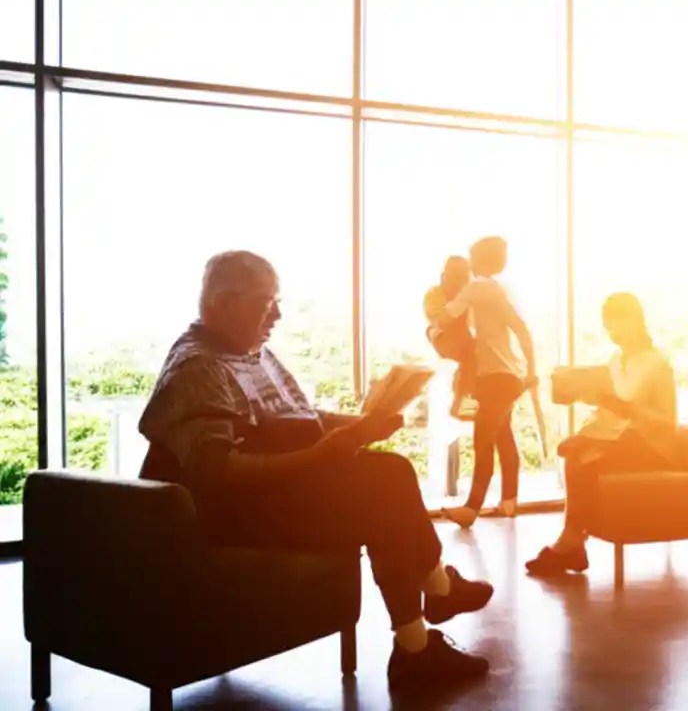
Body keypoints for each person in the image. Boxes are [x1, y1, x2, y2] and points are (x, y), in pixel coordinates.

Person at [137, 251, 493, 696]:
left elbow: (300, 417)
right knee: (385, 482)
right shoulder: (199, 367)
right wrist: (325, 454)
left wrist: (360, 426)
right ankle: (432, 603)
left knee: (386, 478)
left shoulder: (252, 352)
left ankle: (420, 638)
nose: (278, 315)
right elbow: (216, 472)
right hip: (234, 515)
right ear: (224, 304)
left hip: (274, 497)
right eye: (267, 302)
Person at [526, 293, 676, 575]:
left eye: (620, 322)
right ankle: (572, 543)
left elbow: (666, 422)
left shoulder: (657, 363)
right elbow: (616, 409)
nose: (614, 331)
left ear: (636, 321)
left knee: (584, 458)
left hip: (650, 443)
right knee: (574, 452)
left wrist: (626, 408)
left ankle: (570, 542)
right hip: (620, 436)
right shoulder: (616, 360)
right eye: (609, 325)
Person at [439, 237, 538, 527]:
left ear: (476, 260)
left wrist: (434, 326)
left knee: (483, 439)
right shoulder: (499, 290)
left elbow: (446, 317)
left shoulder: (478, 287)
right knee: (502, 437)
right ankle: (508, 503)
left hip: (496, 377)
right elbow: (522, 331)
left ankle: (471, 509)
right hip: (509, 376)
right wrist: (530, 371)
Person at [424, 255, 477, 419]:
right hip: (441, 336)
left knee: (473, 352)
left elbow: (474, 323)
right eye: (454, 275)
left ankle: (464, 396)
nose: (457, 281)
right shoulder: (435, 293)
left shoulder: (468, 294)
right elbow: (438, 320)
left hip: (463, 339)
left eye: (461, 276)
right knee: (470, 350)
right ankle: (461, 399)